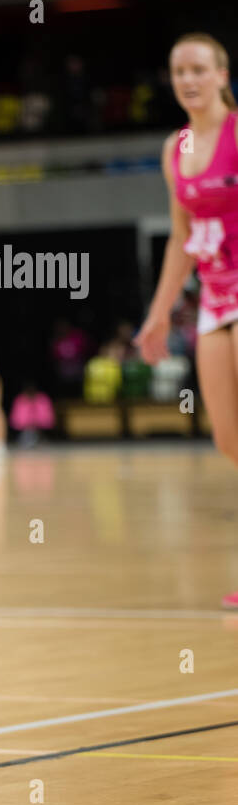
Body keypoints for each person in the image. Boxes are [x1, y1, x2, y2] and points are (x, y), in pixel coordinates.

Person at [135, 32, 238, 608]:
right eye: (179, 71)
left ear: (223, 75)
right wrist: (157, 317)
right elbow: (180, 238)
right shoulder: (174, 148)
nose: (188, 80)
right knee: (227, 437)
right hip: (214, 299)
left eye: (199, 69)